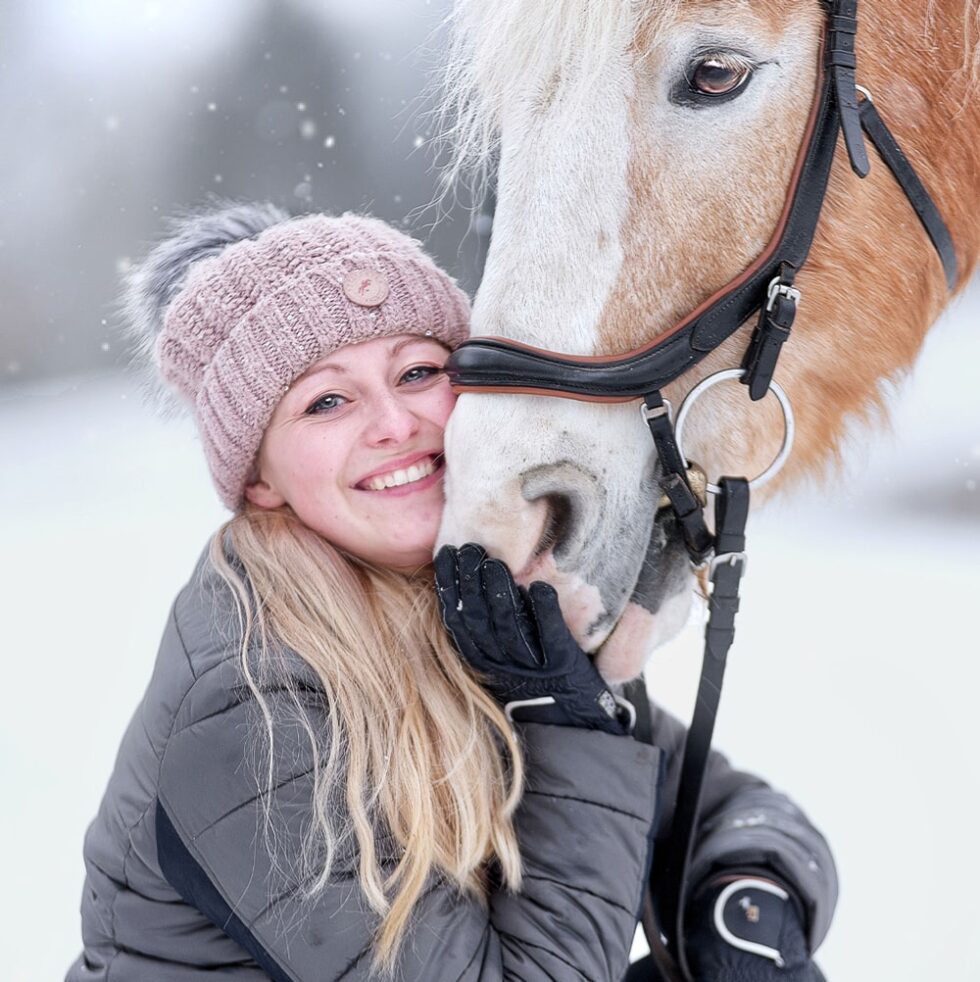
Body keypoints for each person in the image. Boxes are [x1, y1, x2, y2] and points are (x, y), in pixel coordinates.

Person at [66, 202, 837, 982]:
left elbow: (725, 807)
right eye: (326, 401)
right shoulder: (250, 712)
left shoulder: (478, 601)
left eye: (417, 372)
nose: (394, 422)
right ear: (259, 479)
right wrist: (563, 728)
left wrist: (747, 908)